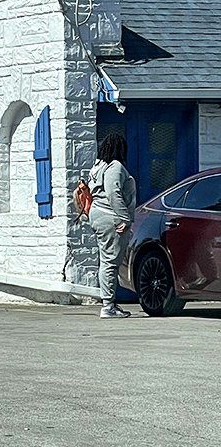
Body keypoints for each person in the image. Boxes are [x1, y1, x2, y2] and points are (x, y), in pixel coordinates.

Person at [88, 133, 137, 319]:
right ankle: (108, 306)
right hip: (111, 217)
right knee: (110, 262)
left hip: (99, 215)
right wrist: (124, 218)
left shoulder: (98, 166)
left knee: (106, 260)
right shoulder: (114, 167)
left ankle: (109, 303)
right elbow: (113, 192)